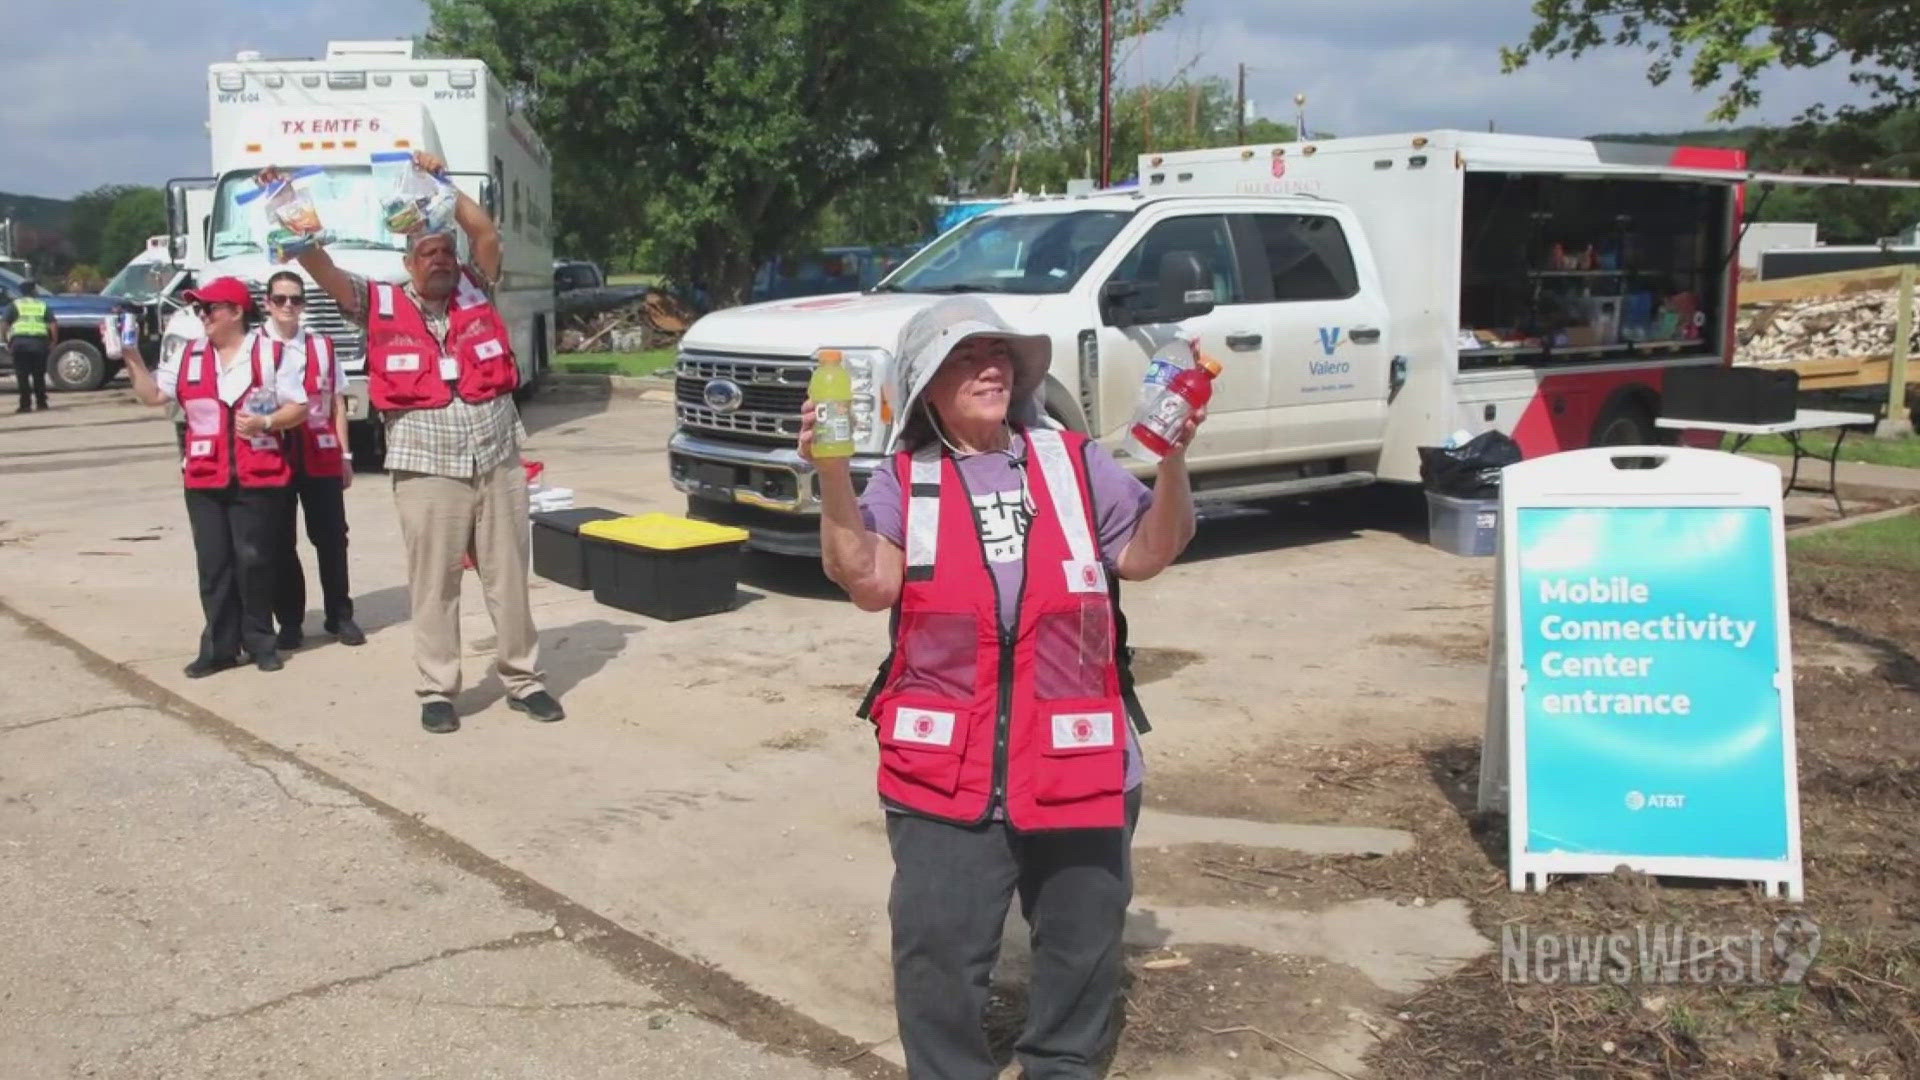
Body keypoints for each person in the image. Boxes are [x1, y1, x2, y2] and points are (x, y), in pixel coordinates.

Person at [802, 296, 1204, 1080]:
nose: (991, 366)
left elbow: (1152, 552)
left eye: (1000, 355)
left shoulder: (1074, 460)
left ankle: (1062, 1066)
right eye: (965, 355)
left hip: (1081, 758)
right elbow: (866, 581)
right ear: (924, 384)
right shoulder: (905, 477)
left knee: (1083, 946)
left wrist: (1176, 462)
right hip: (944, 769)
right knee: (937, 955)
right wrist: (830, 475)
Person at [263, 150, 564, 734]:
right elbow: (317, 263)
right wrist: (286, 203)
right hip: (426, 466)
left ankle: (524, 679)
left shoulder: (478, 288)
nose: (441, 262)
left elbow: (485, 231)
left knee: (508, 576)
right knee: (434, 583)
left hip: (496, 458)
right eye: (428, 254)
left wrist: (440, 180)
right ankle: (437, 689)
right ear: (407, 262)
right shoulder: (375, 303)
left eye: (446, 253)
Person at [118, 277, 310, 676]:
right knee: (214, 563)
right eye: (198, 310)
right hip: (205, 477)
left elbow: (300, 407)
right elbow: (154, 396)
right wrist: (131, 356)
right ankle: (219, 647)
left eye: (209, 309)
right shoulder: (188, 356)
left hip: (258, 475)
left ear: (236, 312)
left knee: (255, 560)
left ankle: (260, 640)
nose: (202, 316)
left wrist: (267, 421)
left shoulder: (273, 354)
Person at [261, 270, 365, 650]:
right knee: (280, 540)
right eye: (280, 299)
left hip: (320, 451)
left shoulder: (321, 346)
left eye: (296, 299)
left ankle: (340, 614)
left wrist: (346, 455)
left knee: (333, 537)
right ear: (267, 303)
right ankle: (289, 621)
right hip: (275, 452)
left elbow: (337, 401)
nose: (288, 306)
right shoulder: (255, 346)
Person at [3, 279, 57, 413]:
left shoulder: (14, 305)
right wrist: (53, 341)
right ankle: (41, 403)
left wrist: (6, 340)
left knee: (22, 375)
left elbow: (4, 324)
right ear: (33, 291)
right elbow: (53, 324)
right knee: (38, 374)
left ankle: (25, 405)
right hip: (39, 343)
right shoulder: (42, 305)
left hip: (20, 343)